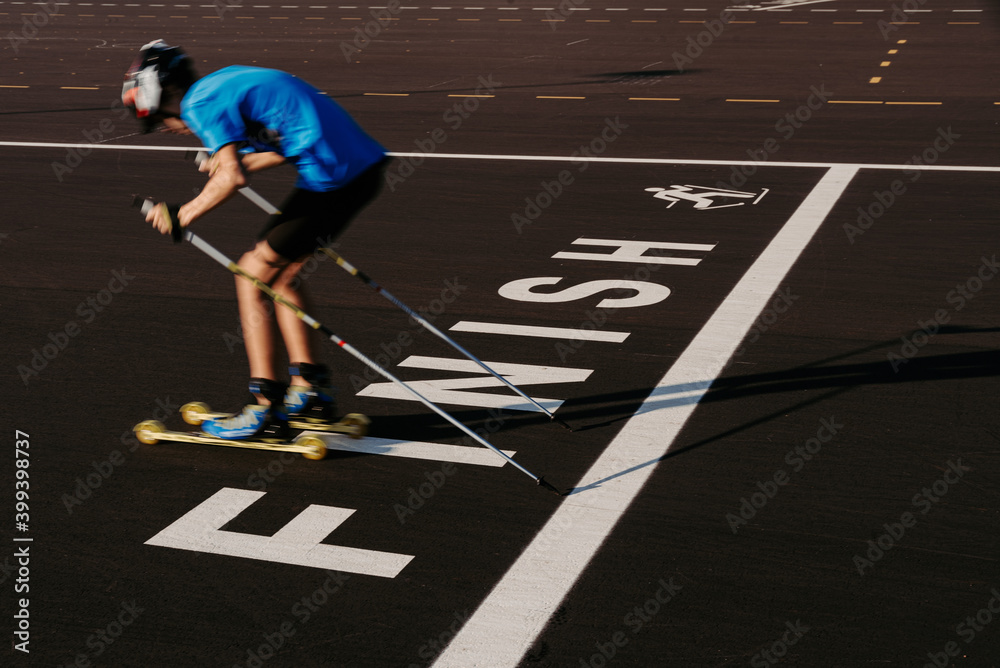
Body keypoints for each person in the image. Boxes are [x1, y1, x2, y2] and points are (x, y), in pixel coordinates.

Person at [122, 40, 388, 440]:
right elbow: (282, 147)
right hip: (357, 170)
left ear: (168, 95)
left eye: (159, 119)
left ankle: (265, 407)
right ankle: (309, 390)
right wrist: (233, 159)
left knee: (251, 273)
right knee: (280, 275)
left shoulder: (198, 104)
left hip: (334, 180)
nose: (166, 127)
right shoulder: (220, 83)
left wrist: (181, 214)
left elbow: (233, 178)